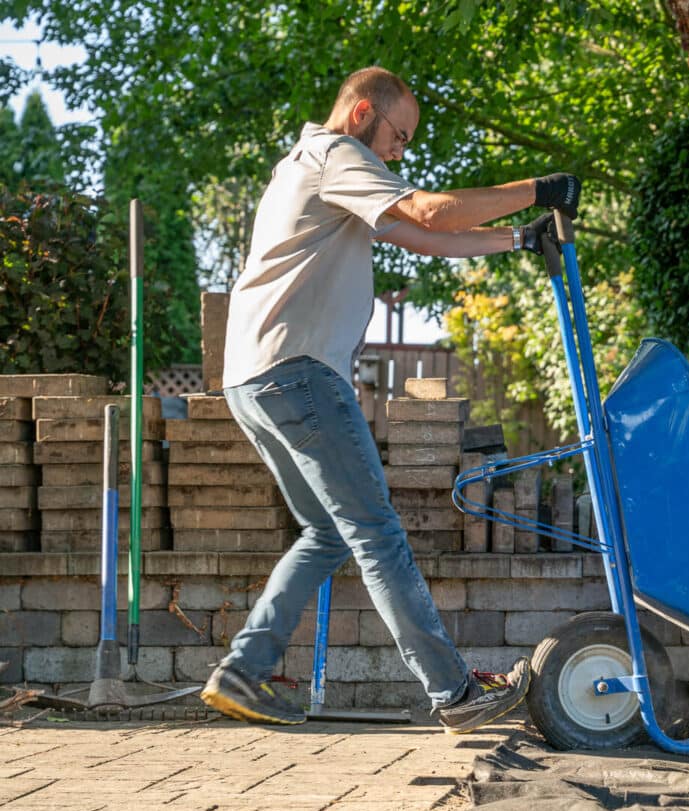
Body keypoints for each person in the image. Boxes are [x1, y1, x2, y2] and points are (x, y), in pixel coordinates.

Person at [200, 66, 581, 734]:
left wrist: (519, 240)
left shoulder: (309, 168)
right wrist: (538, 190)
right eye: (397, 135)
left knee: (327, 531)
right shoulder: (336, 154)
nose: (400, 152)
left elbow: (425, 238)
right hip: (298, 373)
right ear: (362, 114)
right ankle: (452, 692)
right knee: (377, 533)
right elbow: (431, 211)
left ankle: (242, 670)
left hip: (252, 378)